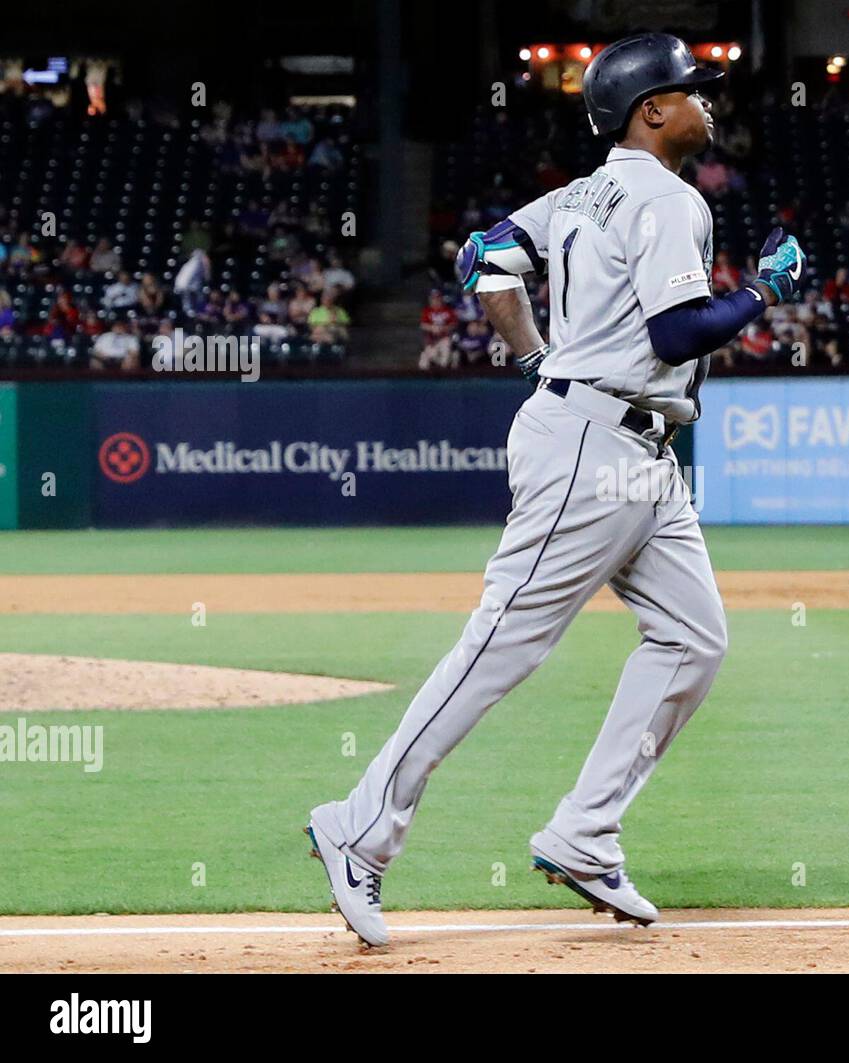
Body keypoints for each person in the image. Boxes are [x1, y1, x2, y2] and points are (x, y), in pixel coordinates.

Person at [305, 32, 808, 947]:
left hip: (635, 450)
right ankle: (360, 823)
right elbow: (680, 331)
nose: (709, 102)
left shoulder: (577, 193)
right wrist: (766, 292)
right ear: (650, 110)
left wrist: (540, 358)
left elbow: (485, 257)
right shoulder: (668, 197)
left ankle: (585, 831)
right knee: (502, 644)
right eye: (695, 91)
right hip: (595, 444)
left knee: (694, 640)